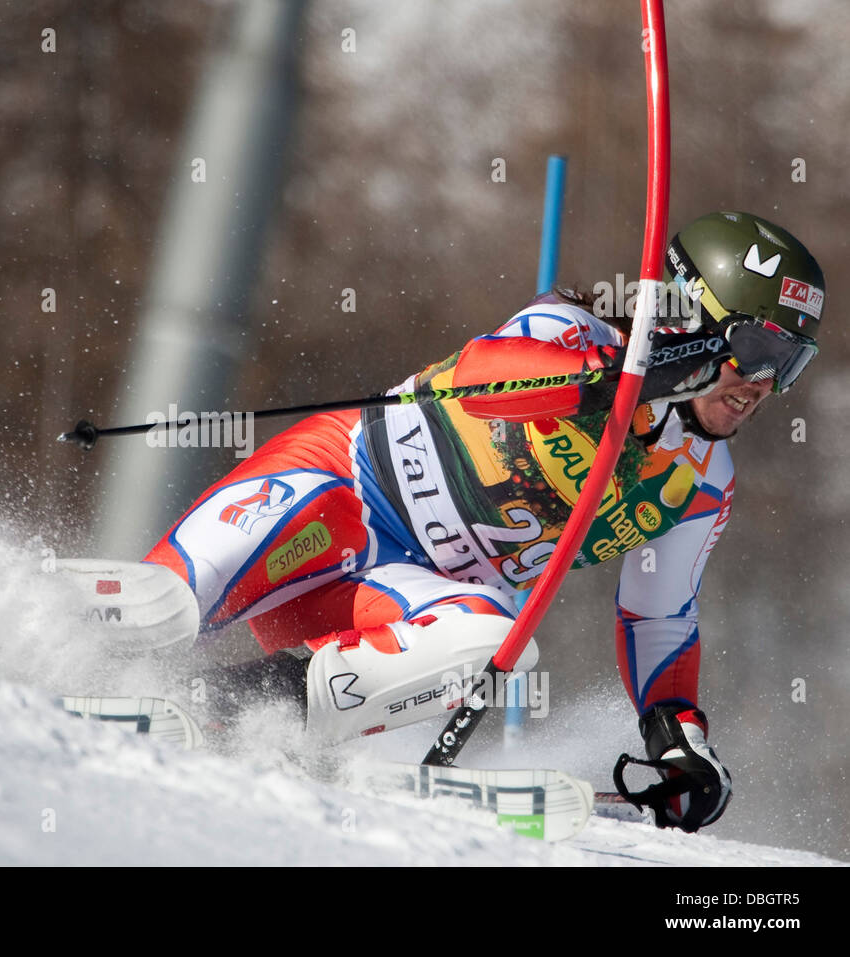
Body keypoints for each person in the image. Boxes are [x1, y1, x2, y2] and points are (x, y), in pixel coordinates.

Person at [141, 211, 825, 833]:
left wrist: (679, 736)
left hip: (403, 599)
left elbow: (658, 616)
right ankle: (86, 648)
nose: (763, 385)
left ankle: (242, 710)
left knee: (495, 644)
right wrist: (636, 376)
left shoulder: (703, 480)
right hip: (335, 488)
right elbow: (487, 377)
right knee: (166, 603)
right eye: (760, 351)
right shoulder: (574, 329)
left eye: (788, 364)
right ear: (689, 315)